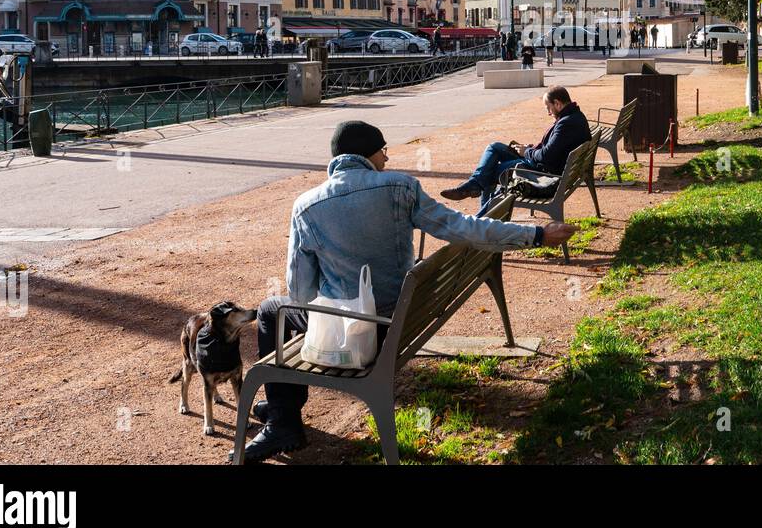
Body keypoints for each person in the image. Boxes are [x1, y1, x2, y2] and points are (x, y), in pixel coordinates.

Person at [242, 120, 576, 463]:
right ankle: (282, 407)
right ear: (368, 154)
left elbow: (299, 293)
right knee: (282, 309)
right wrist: (534, 235)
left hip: (356, 334)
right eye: (384, 151)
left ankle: (284, 417)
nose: (386, 158)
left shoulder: (307, 206)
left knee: (271, 309)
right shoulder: (401, 187)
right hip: (400, 323)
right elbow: (462, 227)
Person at [440, 86, 591, 211]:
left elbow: (546, 156)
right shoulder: (575, 116)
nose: (548, 112)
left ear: (557, 103)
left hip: (541, 172)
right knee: (494, 147)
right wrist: (530, 148)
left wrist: (527, 152)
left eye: (549, 108)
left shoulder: (566, 124)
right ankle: (474, 187)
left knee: (489, 172)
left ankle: (481, 216)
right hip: (551, 166)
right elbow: (554, 149)